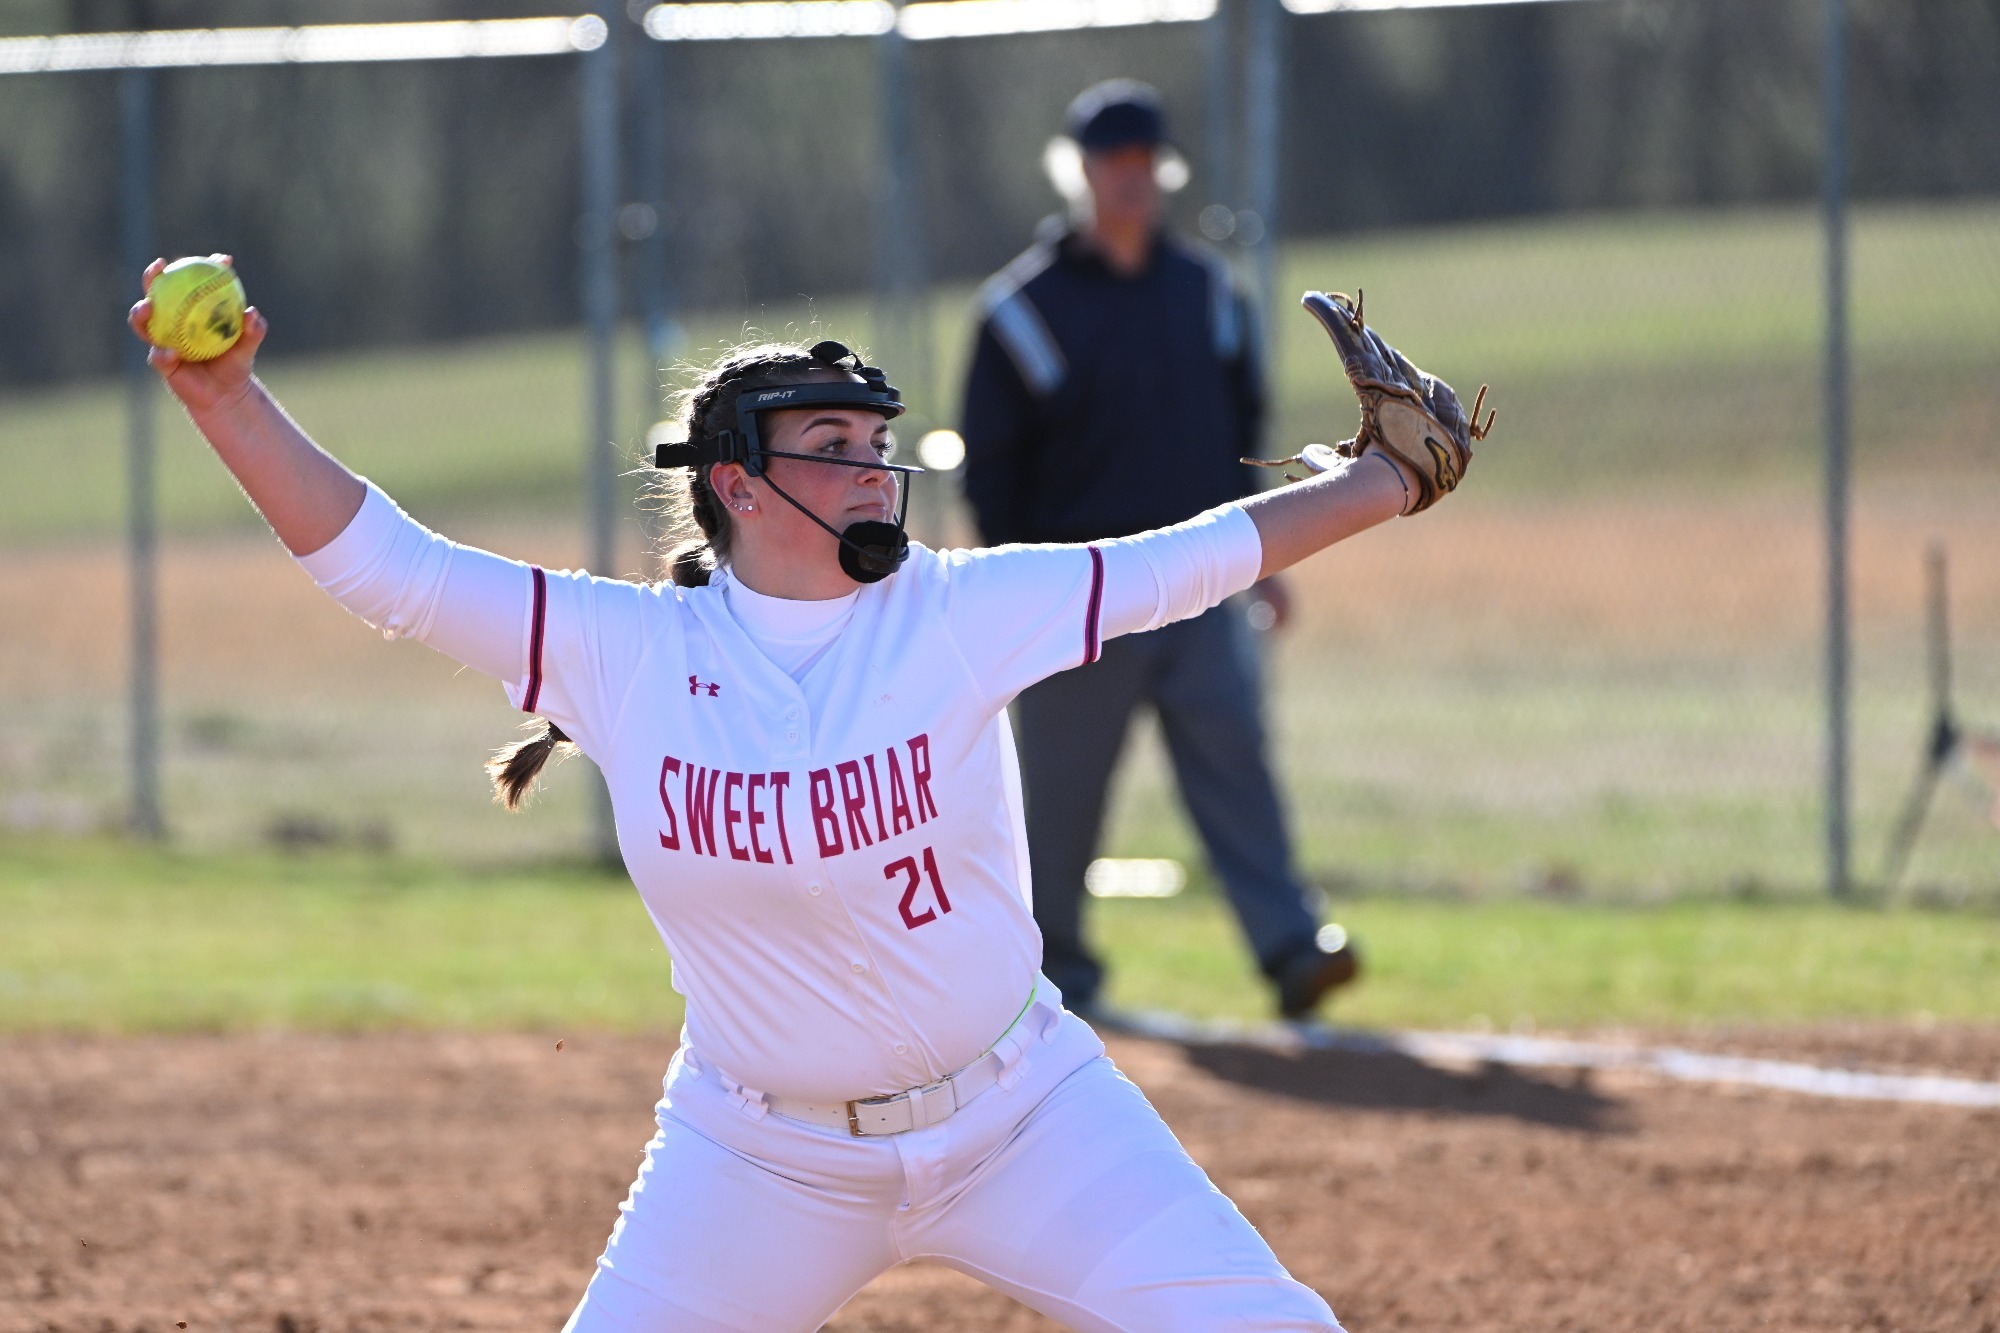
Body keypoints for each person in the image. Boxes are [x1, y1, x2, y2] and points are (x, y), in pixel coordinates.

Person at [128, 252, 1421, 1332]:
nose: (873, 468)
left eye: (876, 442)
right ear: (737, 484)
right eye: (831, 445)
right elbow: (390, 570)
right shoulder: (628, 653)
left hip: (1028, 1112)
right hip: (760, 1159)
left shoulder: (954, 610)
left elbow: (1179, 564)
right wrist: (228, 405)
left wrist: (1387, 481)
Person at [962, 78, 1356, 1022]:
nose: (1129, 182)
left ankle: (1291, 949)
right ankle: (1050, 977)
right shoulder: (1022, 309)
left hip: (1203, 583)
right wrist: (1019, 595)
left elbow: (1244, 432)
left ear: (1162, 174)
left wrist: (1270, 560)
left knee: (1238, 767)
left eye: (1144, 165)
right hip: (1080, 599)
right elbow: (993, 470)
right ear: (1080, 175)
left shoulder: (1205, 292)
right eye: (1112, 166)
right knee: (1058, 803)